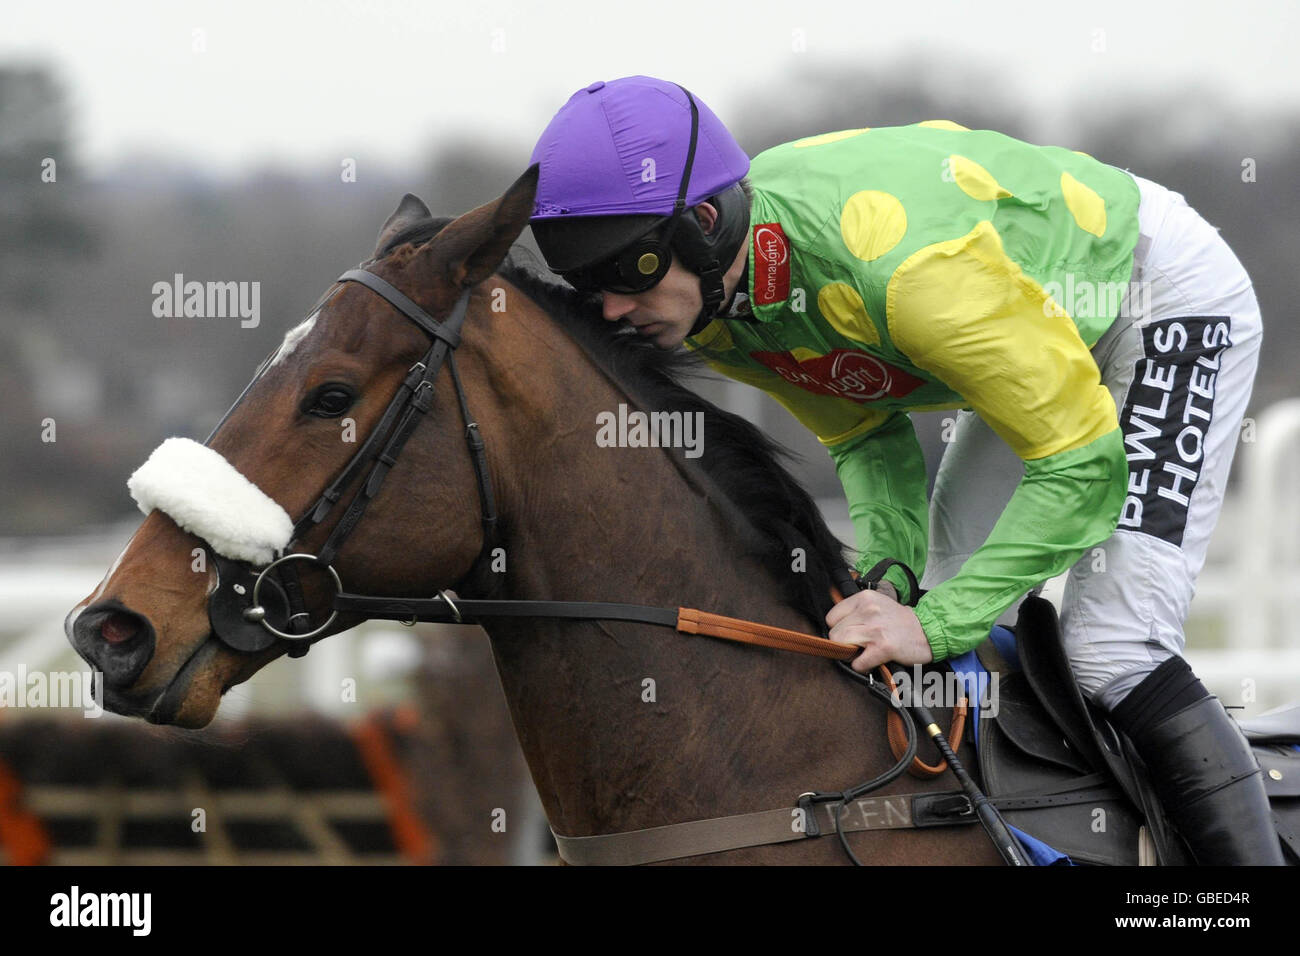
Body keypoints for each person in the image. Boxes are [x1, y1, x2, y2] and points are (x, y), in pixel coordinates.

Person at [526, 75, 1282, 865]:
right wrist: (891, 581)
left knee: (1114, 648)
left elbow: (1080, 465)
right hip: (1024, 327)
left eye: (626, 273)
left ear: (704, 224)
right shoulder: (710, 310)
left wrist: (932, 620)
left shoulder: (912, 280)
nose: (611, 311)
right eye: (589, 286)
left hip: (1155, 299)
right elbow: (865, 436)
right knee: (948, 604)